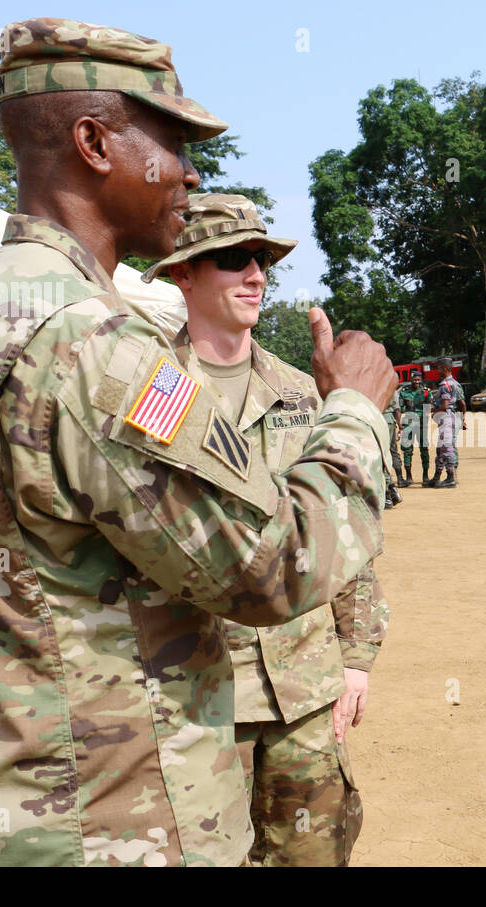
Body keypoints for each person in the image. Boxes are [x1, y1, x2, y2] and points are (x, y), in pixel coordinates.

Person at [0, 18, 397, 867]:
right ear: (93, 142)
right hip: (117, 826)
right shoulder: (98, 346)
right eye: (169, 140)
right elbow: (273, 569)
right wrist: (354, 413)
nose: (189, 174)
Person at [145, 193, 387, 865]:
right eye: (232, 259)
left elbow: (343, 530)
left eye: (262, 259)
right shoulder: (150, 393)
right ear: (182, 274)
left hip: (306, 687)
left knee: (314, 855)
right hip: (197, 699)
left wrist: (358, 656)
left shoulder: (302, 393)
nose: (255, 274)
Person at [430, 358, 465, 488]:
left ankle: (450, 478)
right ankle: (437, 477)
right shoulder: (453, 383)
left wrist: (434, 410)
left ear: (444, 369)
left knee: (447, 449)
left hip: (446, 417)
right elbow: (460, 403)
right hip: (450, 417)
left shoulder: (445, 385)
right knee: (442, 448)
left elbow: (445, 405)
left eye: (438, 368)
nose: (437, 370)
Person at [398, 369, 431, 487]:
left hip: (422, 423)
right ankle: (408, 476)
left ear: (420, 379)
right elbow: (400, 407)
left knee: (424, 449)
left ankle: (425, 476)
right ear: (410, 380)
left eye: (418, 379)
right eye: (414, 379)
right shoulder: (404, 392)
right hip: (408, 422)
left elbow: (428, 407)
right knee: (407, 449)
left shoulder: (426, 392)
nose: (416, 381)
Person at [384, 388, 403, 509]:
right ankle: (394, 489)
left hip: (379, 419)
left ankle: (387, 495)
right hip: (390, 420)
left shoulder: (372, 383)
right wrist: (400, 425)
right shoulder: (389, 384)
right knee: (392, 452)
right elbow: (397, 408)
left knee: (381, 456)